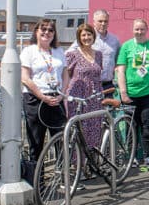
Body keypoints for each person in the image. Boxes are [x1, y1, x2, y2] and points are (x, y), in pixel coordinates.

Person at [20, 19, 69, 162]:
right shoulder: (28, 51)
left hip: (56, 98)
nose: (47, 32)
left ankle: (63, 179)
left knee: (61, 139)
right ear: (36, 31)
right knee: (36, 142)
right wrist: (42, 96)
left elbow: (65, 74)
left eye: (50, 30)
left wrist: (63, 94)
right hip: (36, 99)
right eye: (43, 29)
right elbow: (25, 78)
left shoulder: (59, 51)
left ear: (54, 34)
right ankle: (37, 182)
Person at [115, 18, 149, 166]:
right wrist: (123, 92)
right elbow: (121, 71)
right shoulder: (126, 47)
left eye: (142, 29)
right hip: (130, 94)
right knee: (131, 126)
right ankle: (132, 156)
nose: (139, 32)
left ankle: (148, 156)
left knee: (147, 126)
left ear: (147, 29)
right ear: (132, 30)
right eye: (136, 29)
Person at [62, 23, 104, 149]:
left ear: (93, 36)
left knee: (94, 128)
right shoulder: (72, 54)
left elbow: (98, 73)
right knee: (78, 129)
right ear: (79, 37)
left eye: (89, 34)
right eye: (83, 35)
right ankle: (77, 163)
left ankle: (91, 162)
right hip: (78, 96)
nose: (86, 37)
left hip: (95, 97)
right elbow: (66, 75)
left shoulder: (99, 54)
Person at [69, 9, 120, 94]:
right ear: (94, 22)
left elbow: (118, 61)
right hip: (90, 86)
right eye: (100, 21)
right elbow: (69, 54)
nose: (103, 24)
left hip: (108, 86)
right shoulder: (87, 38)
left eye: (105, 21)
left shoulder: (114, 40)